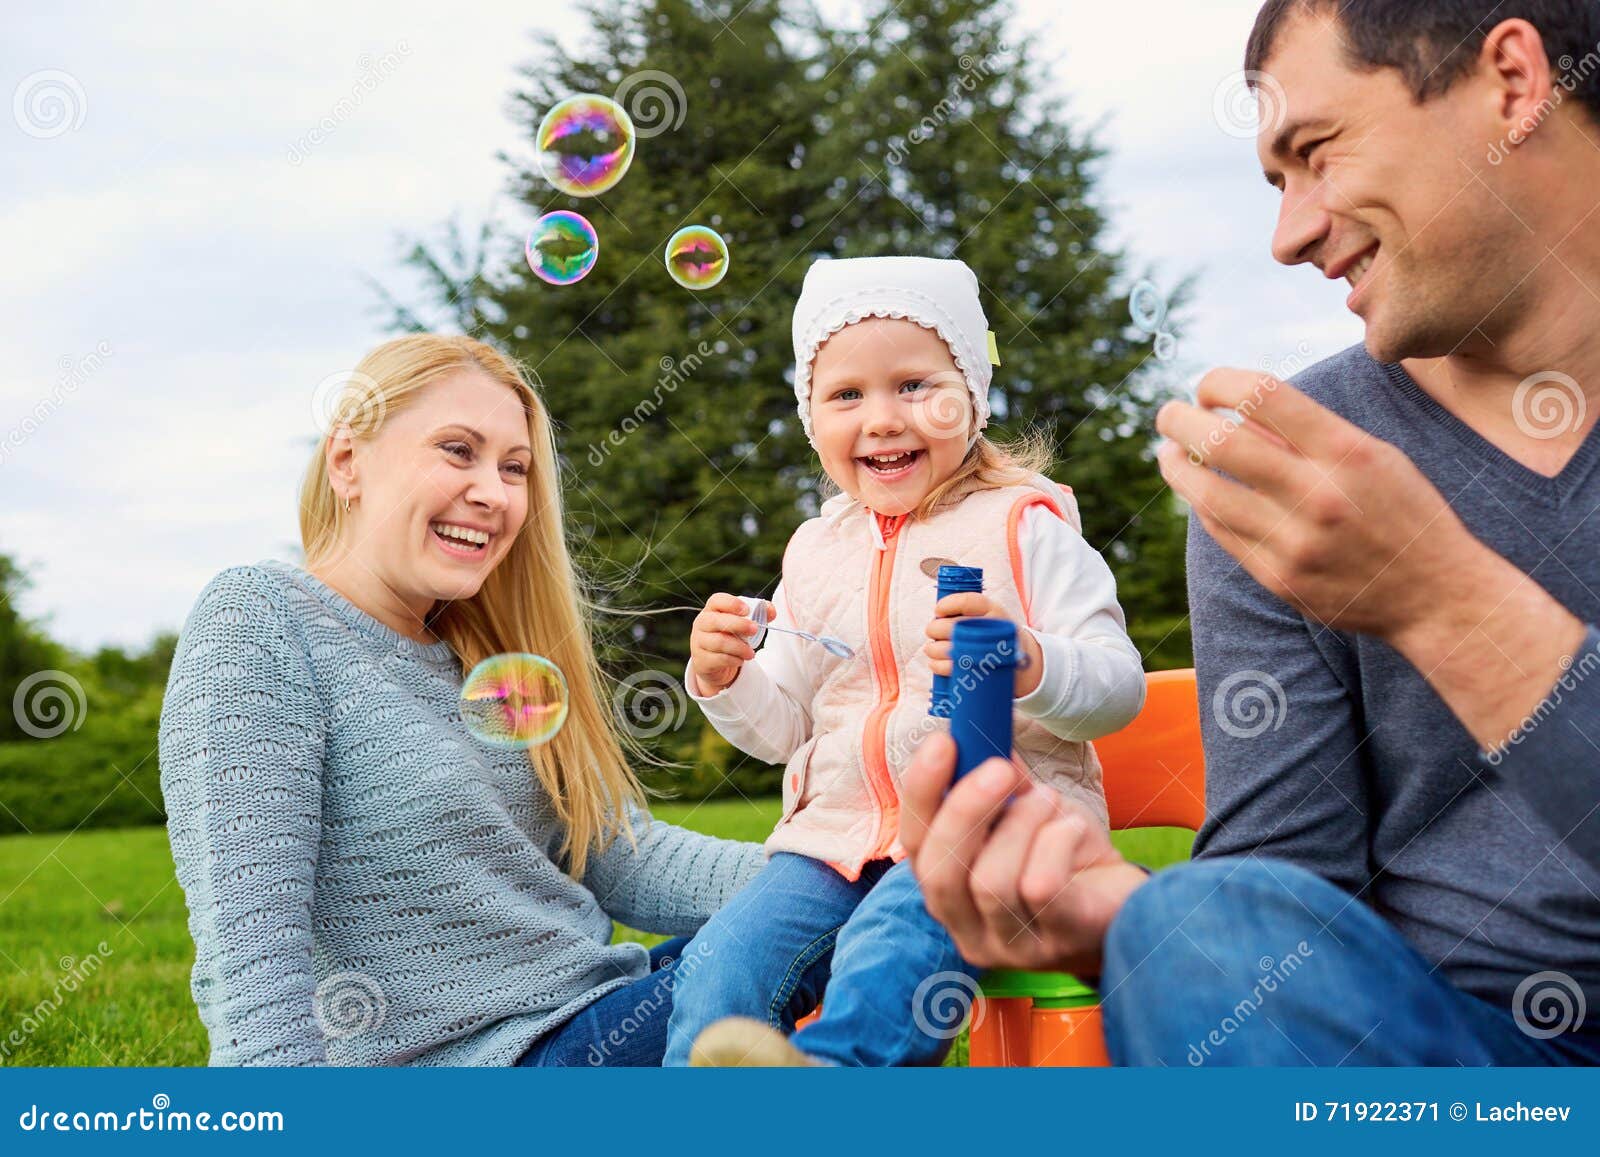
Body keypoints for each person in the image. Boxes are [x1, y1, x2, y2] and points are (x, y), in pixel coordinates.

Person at [900, 0, 1600, 1065]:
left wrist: (1441, 597)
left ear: (1510, 82)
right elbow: (1282, 895)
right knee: (1218, 926)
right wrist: (1128, 921)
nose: (1288, 236)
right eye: (1274, 183)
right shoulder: (1300, 466)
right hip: (1444, 1070)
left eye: (1313, 153)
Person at [158, 334, 764, 1066]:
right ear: (348, 461)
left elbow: (620, 857)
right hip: (501, 1065)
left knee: (855, 915)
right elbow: (251, 942)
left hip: (598, 1009)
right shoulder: (259, 617)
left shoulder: (483, 654)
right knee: (844, 946)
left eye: (515, 468)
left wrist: (836, 867)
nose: (495, 493)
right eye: (457, 450)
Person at [664, 256, 1146, 1065]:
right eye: (847, 395)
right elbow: (790, 729)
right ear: (811, 417)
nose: (883, 418)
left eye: (916, 385)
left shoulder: (1024, 527)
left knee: (888, 951)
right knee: (721, 962)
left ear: (972, 397)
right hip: (834, 841)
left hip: (989, 841)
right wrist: (727, 678)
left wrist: (1030, 661)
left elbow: (1117, 686)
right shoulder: (816, 552)